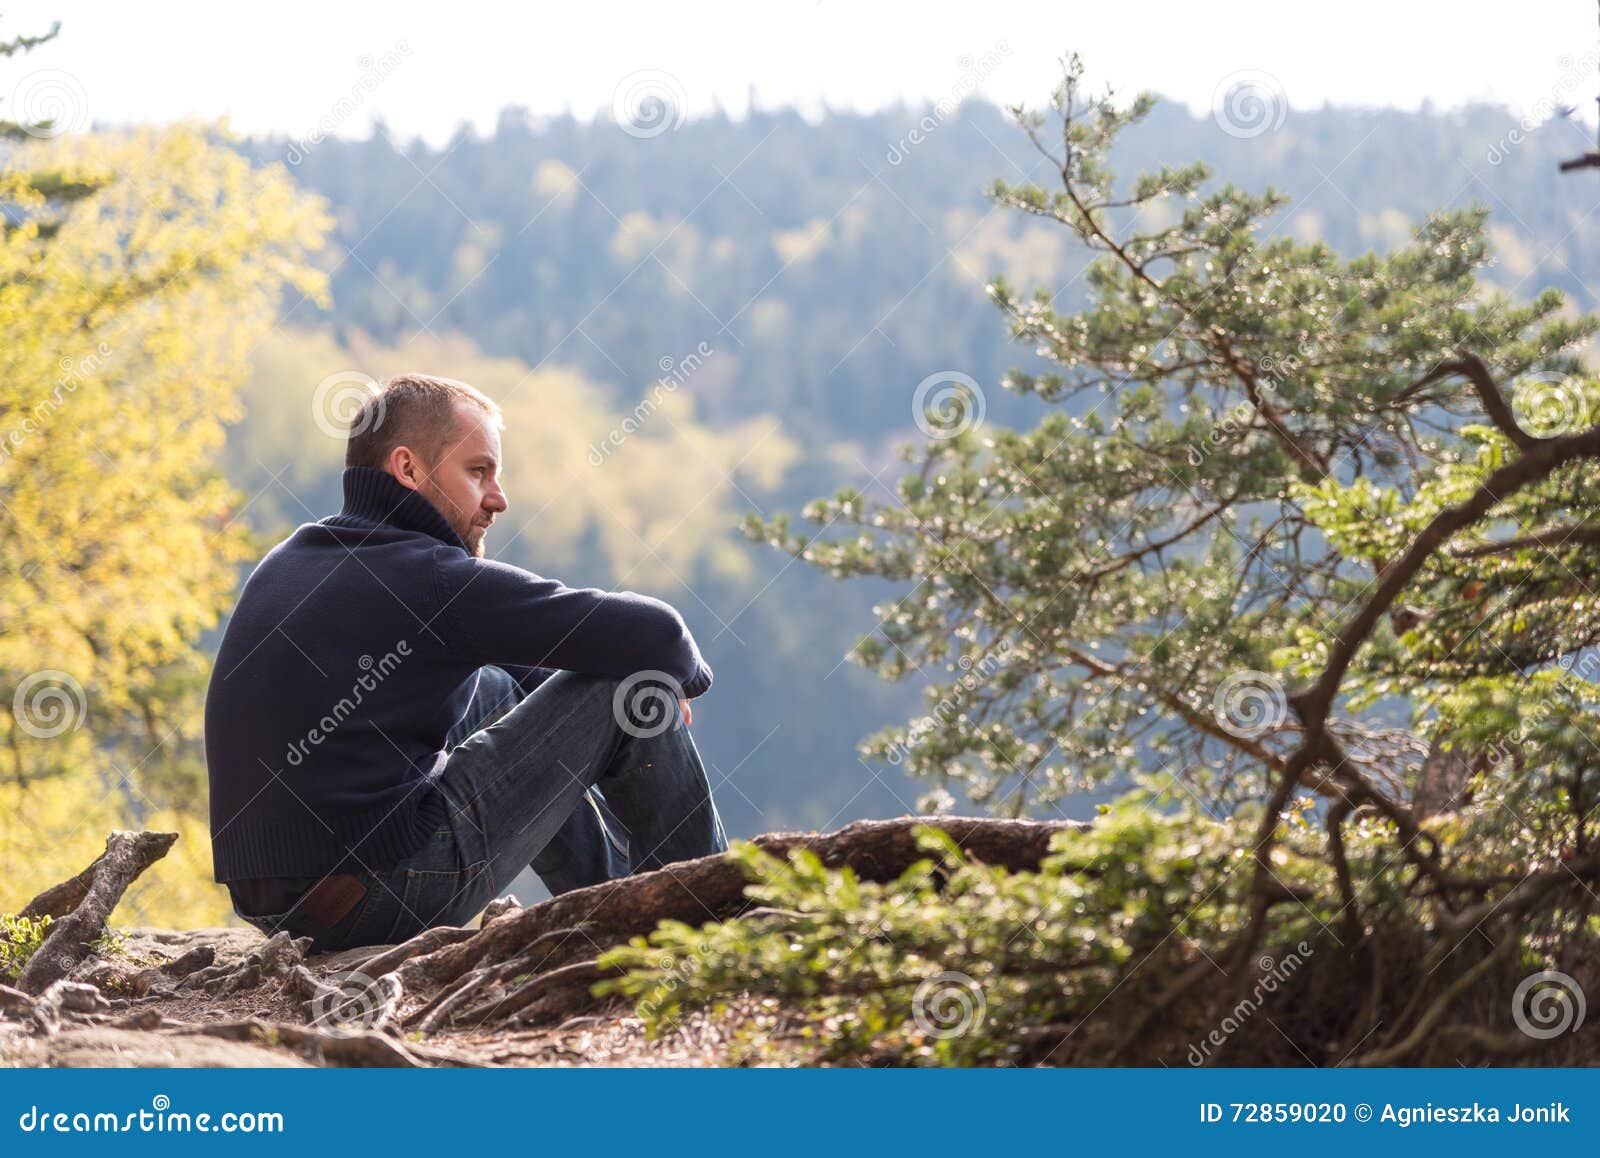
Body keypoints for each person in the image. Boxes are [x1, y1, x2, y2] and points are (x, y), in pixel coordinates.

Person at [203, 373, 726, 951]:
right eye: (478, 473)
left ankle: (618, 911)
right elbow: (657, 630)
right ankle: (713, 927)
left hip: (285, 901)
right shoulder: (428, 579)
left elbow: (532, 672)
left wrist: (572, 712)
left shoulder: (296, 556)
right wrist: (671, 679)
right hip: (378, 893)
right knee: (632, 691)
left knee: (494, 686)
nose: (498, 499)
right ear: (408, 470)